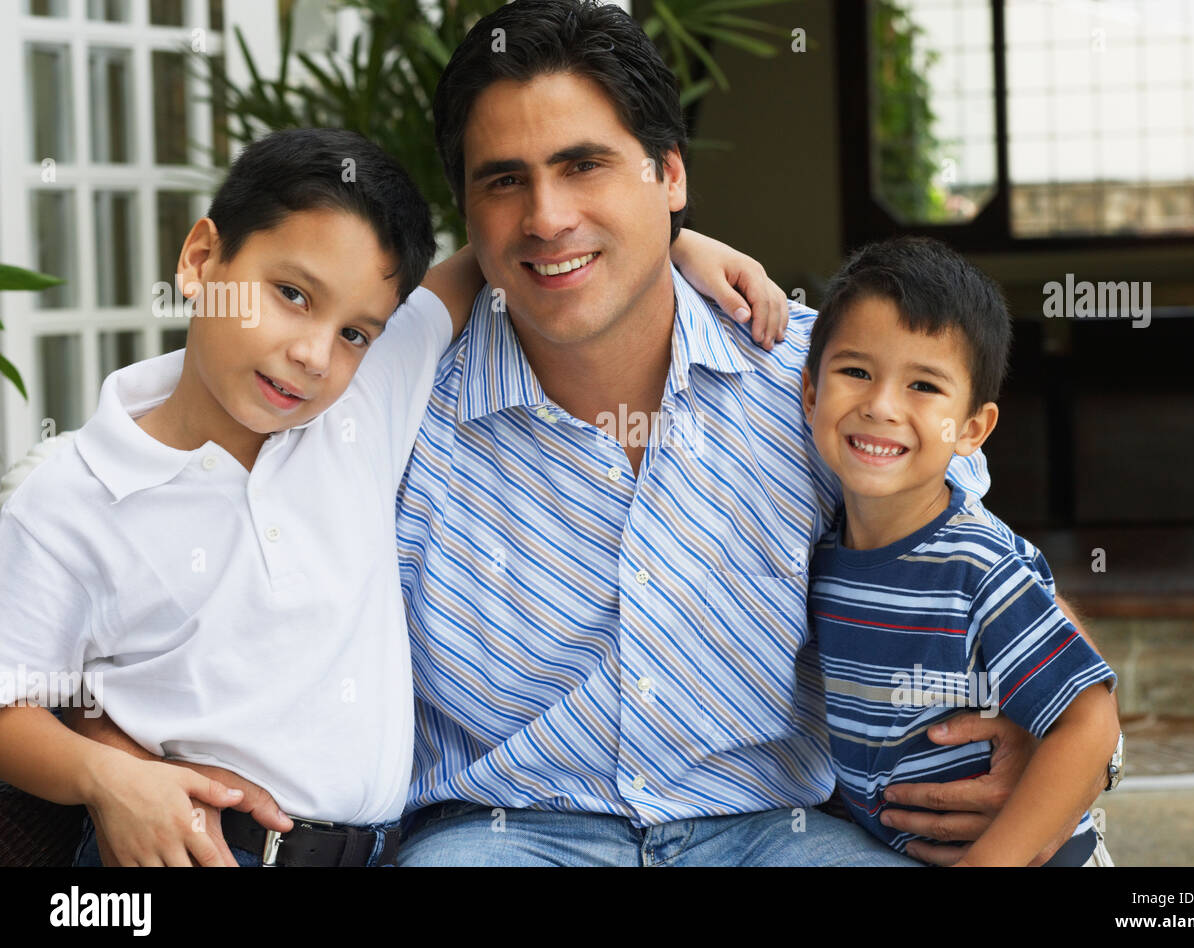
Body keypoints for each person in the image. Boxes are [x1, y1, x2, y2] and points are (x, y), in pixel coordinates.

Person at [389, 0, 1111, 866]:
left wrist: (1066, 751)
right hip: (505, 833)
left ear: (671, 176)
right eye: (503, 181)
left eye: (585, 165)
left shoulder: (823, 386)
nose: (546, 216)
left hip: (779, 833)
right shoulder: (398, 418)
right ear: (466, 209)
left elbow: (987, 578)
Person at [0, 125, 781, 867]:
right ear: (202, 258)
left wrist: (671, 241)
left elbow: (503, 255)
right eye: (291, 295)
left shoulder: (359, 410)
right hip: (196, 848)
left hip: (375, 850)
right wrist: (108, 779)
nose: (311, 355)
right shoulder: (73, 497)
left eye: (355, 333)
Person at [800, 237, 1120, 866]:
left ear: (972, 429)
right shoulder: (820, 555)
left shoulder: (976, 566)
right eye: (856, 371)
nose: (881, 405)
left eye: (923, 384)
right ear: (810, 392)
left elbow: (1090, 723)